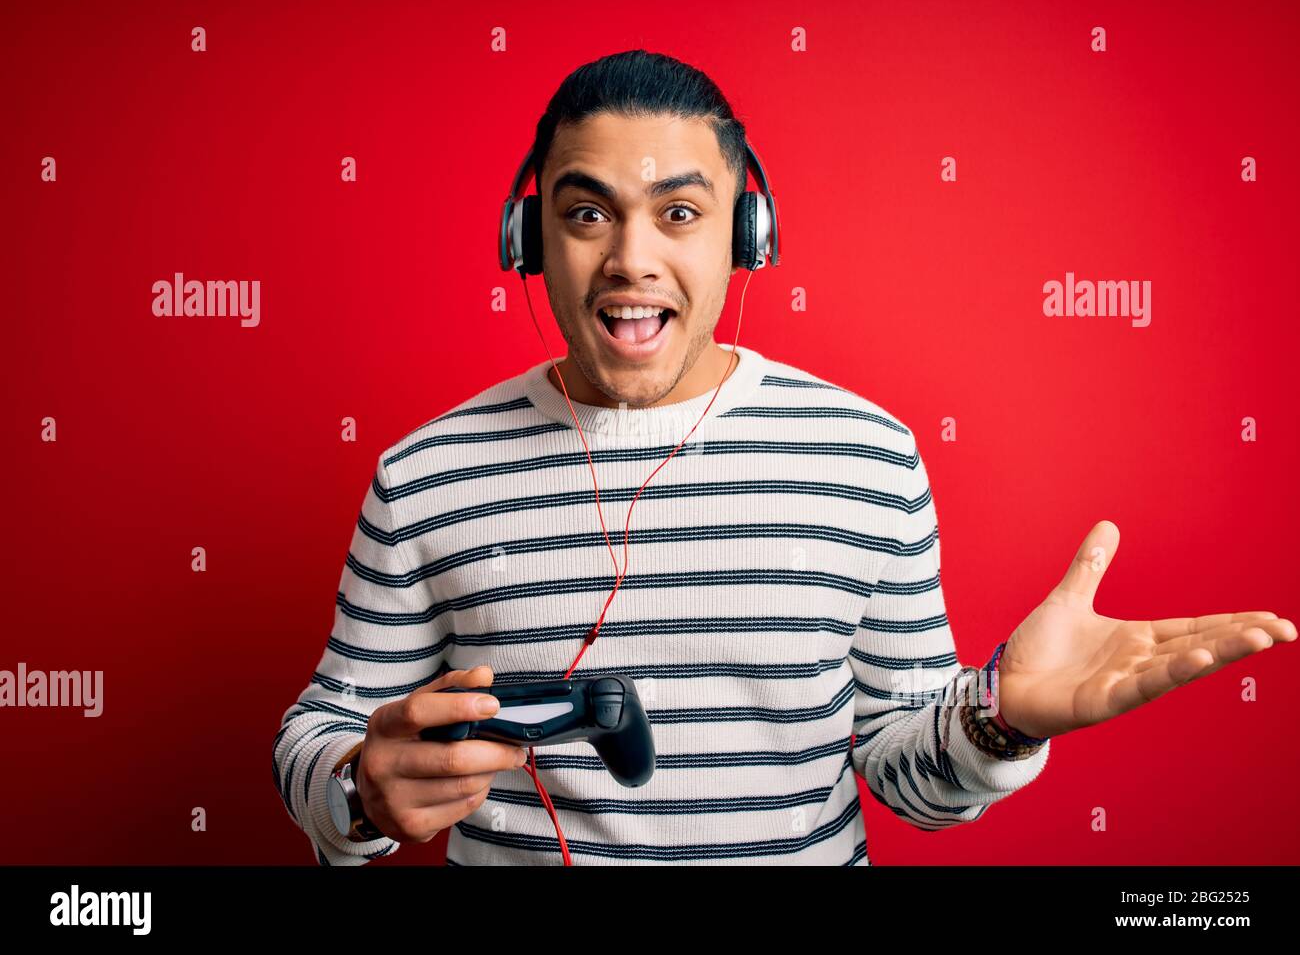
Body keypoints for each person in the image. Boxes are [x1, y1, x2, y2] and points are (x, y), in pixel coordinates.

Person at [272, 49, 1296, 866]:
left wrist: (997, 720)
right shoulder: (425, 473)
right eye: (586, 213)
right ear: (528, 236)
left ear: (743, 235)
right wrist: (358, 788)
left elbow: (903, 779)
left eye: (680, 212)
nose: (631, 258)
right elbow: (318, 729)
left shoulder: (866, 453)